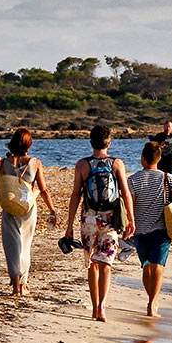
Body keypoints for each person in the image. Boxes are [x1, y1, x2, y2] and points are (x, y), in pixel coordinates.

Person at [64, 125, 136, 322]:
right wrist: (131, 219)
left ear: (91, 143)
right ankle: (102, 308)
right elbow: (126, 193)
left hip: (88, 219)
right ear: (109, 143)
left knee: (92, 264)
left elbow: (76, 195)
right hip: (110, 220)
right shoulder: (117, 164)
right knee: (106, 264)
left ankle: (94, 306)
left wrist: (69, 225)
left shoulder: (82, 165)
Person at [0, 128, 59, 297]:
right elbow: (44, 189)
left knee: (11, 246)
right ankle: (23, 284)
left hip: (9, 207)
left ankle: (16, 285)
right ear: (28, 145)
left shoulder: (5, 163)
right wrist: (52, 210)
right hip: (28, 208)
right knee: (25, 245)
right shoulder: (35, 163)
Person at [127, 141, 172, 318]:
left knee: (146, 266)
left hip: (140, 231)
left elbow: (131, 204)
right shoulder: (168, 178)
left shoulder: (133, 179)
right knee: (158, 266)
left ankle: (150, 297)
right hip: (161, 230)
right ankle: (153, 302)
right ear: (159, 159)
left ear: (142, 159)